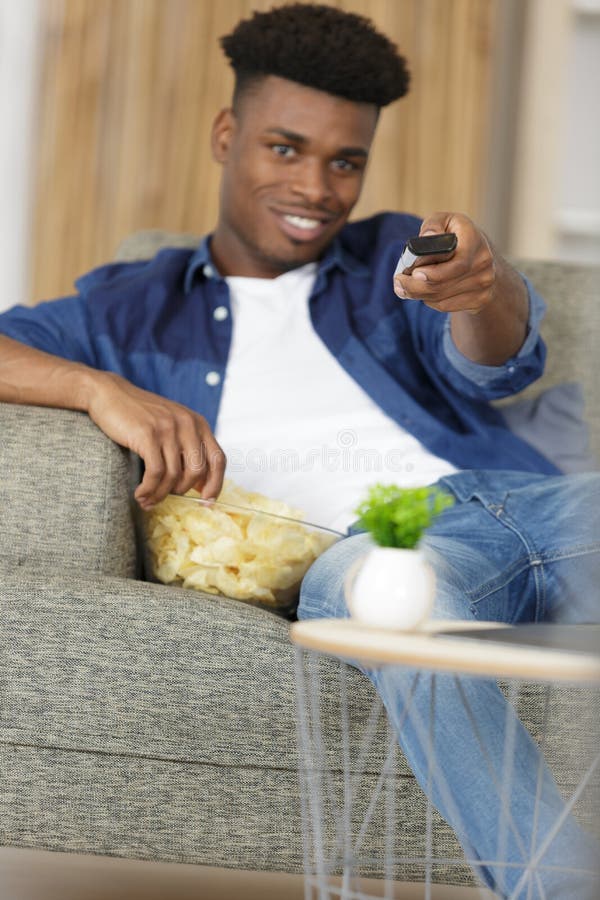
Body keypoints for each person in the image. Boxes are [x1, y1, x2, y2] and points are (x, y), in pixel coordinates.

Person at [0, 4, 598, 897]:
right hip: (386, 549)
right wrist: (99, 388)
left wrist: (487, 285)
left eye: (345, 161)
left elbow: (493, 365)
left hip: (535, 500)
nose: (318, 187)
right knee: (389, 602)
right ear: (227, 134)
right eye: (286, 148)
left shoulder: (388, 264)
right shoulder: (129, 309)